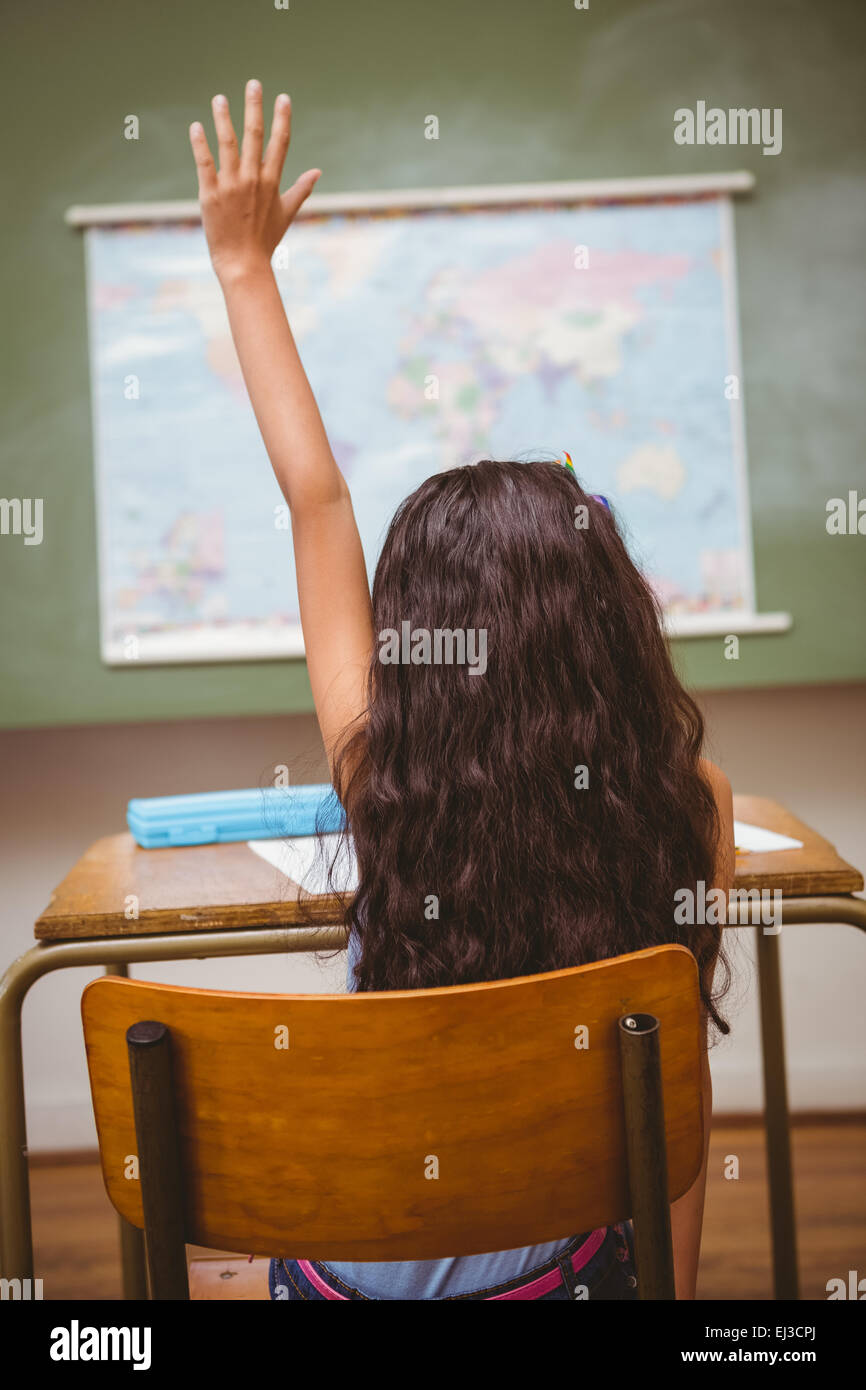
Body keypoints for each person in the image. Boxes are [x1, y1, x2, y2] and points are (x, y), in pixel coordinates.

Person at [189, 80, 735, 1301]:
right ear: (606, 626)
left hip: (336, 1284)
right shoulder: (682, 803)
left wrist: (242, 269)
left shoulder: (380, 777)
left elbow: (315, 502)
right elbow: (673, 1125)